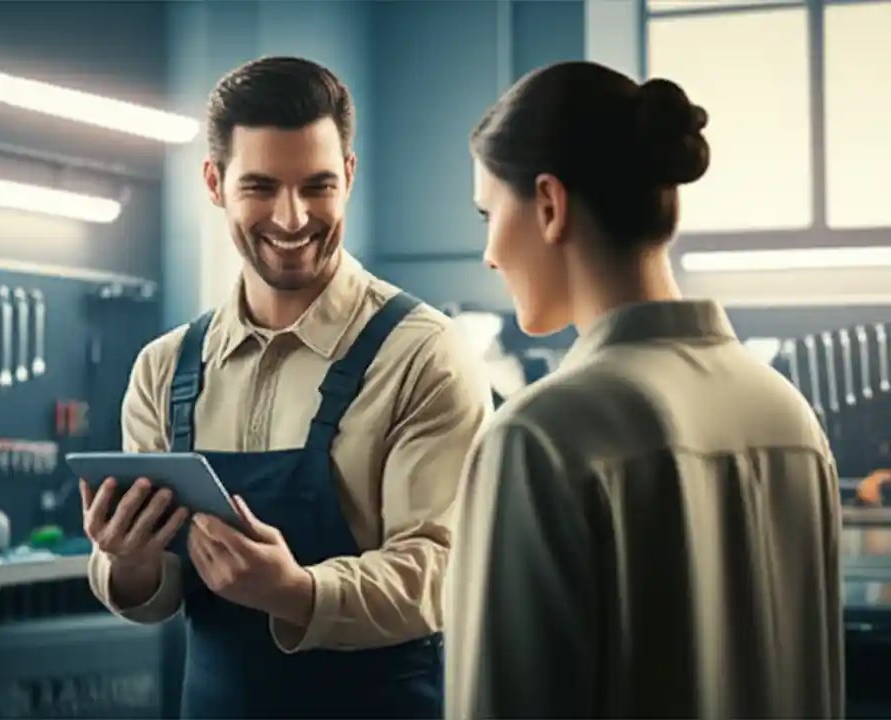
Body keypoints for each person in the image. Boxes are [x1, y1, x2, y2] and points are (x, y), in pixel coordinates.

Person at [80, 56, 493, 719]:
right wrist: (127, 560)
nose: (294, 218)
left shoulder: (424, 354)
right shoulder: (164, 369)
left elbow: (447, 570)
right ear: (214, 183)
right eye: (261, 187)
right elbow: (153, 593)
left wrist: (298, 592)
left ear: (350, 177)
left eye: (318, 186)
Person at [444, 61, 844, 719]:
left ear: (549, 203)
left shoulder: (541, 436)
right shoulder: (787, 416)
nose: (488, 252)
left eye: (489, 212)